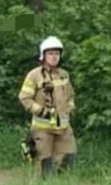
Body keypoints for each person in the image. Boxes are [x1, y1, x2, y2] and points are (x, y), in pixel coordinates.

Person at [18, 36, 75, 177]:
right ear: (43, 55)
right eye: (50, 53)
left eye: (57, 53)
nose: (54, 57)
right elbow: (24, 97)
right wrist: (41, 111)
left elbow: (70, 96)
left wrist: (70, 108)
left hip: (63, 128)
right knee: (44, 165)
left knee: (68, 159)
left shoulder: (64, 75)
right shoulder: (34, 75)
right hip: (42, 129)